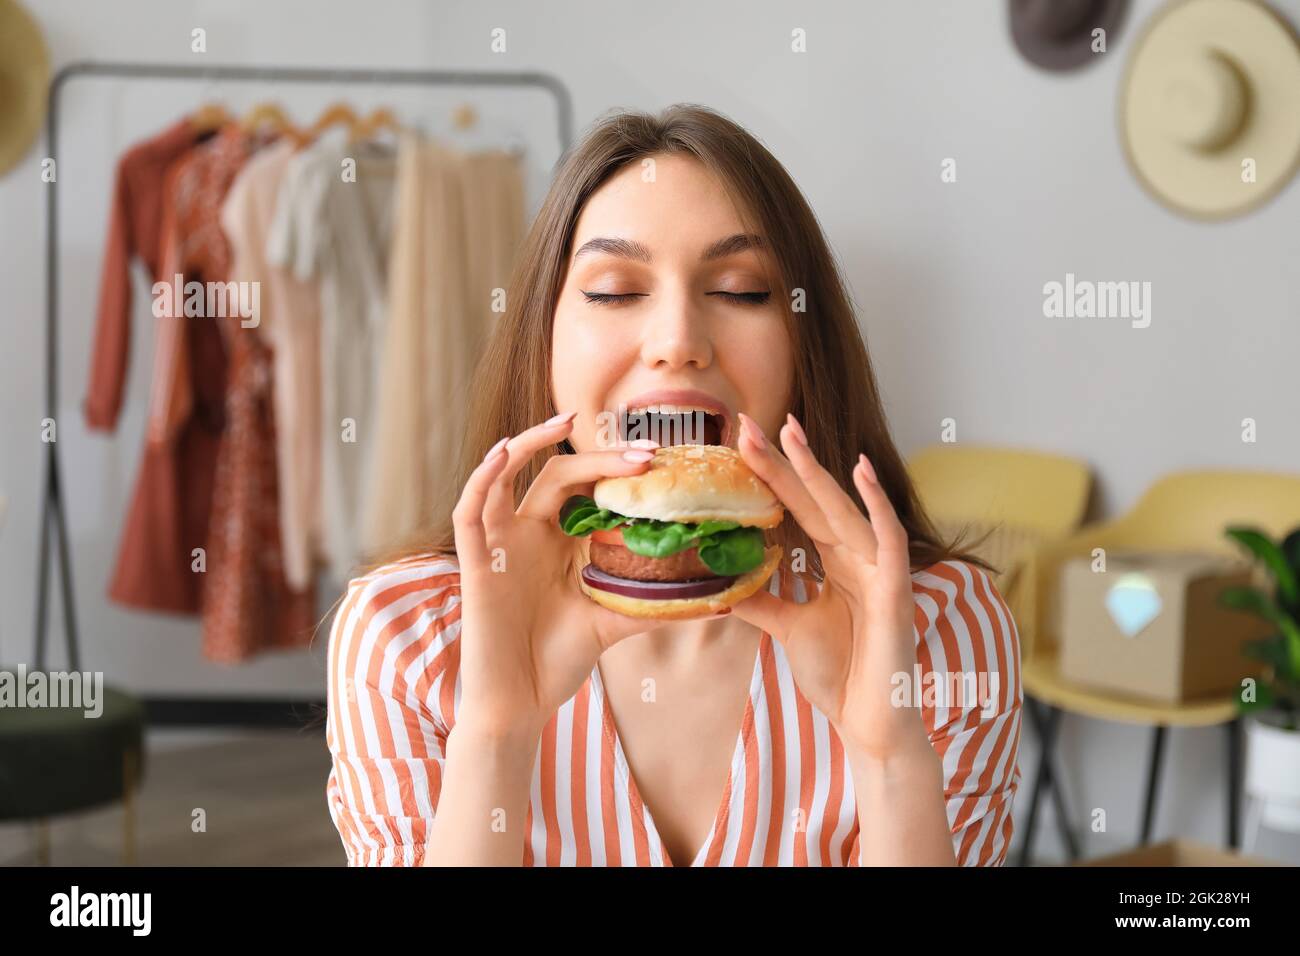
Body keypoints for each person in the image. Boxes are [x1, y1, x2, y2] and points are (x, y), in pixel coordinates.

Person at [325, 104, 1022, 867]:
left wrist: (889, 754)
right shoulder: (405, 637)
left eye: (743, 290)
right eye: (616, 292)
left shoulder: (939, 627)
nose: (678, 343)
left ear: (804, 340)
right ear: (543, 339)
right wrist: (494, 732)